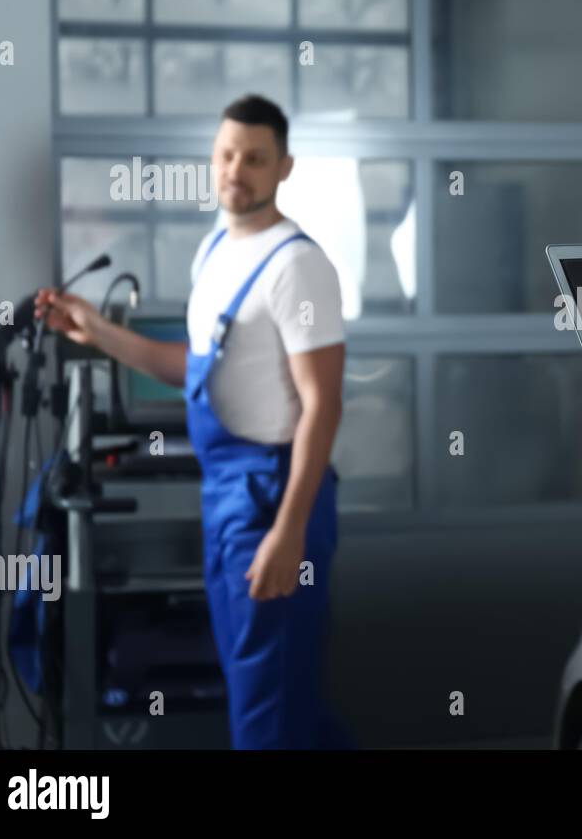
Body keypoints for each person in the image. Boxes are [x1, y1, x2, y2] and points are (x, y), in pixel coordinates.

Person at [36, 94, 354, 749]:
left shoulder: (297, 267)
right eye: (226, 154)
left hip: (274, 495)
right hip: (226, 494)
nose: (237, 169)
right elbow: (195, 366)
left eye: (256, 158)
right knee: (268, 682)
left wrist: (289, 532)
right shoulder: (213, 251)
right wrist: (94, 330)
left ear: (284, 167)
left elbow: (322, 404)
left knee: (267, 696)